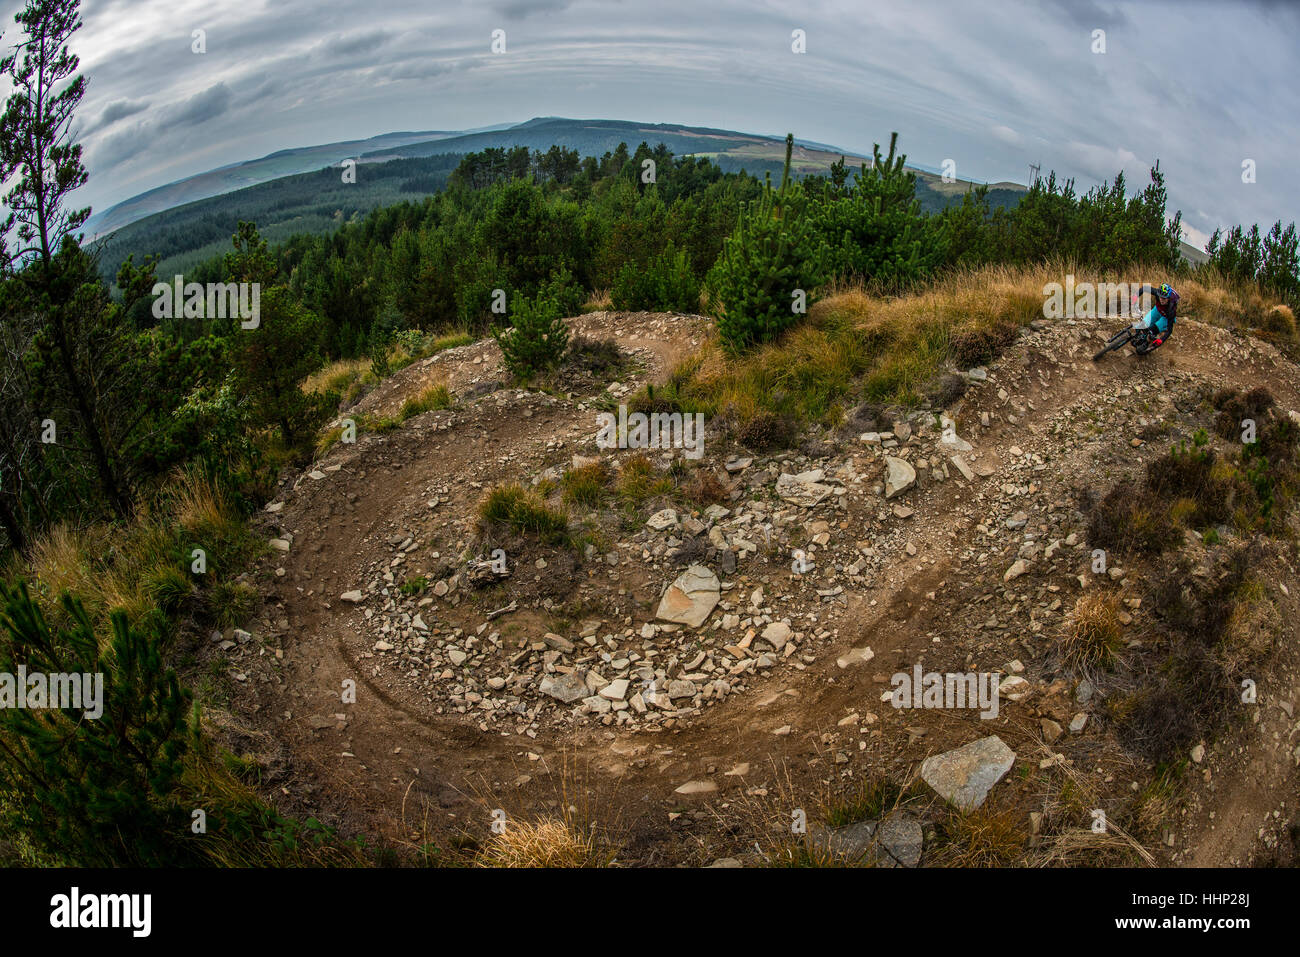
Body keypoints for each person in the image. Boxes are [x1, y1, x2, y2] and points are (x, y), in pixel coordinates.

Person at [1132, 282, 1179, 354]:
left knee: (1152, 330)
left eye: (1164, 298)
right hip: (1157, 309)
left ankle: (1147, 343)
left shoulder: (1171, 310)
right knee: (1143, 324)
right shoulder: (1157, 293)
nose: (1161, 300)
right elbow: (1145, 288)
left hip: (1165, 317)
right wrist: (1135, 296)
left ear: (1168, 298)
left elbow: (1169, 330)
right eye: (1160, 297)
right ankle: (1141, 336)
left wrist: (1161, 340)